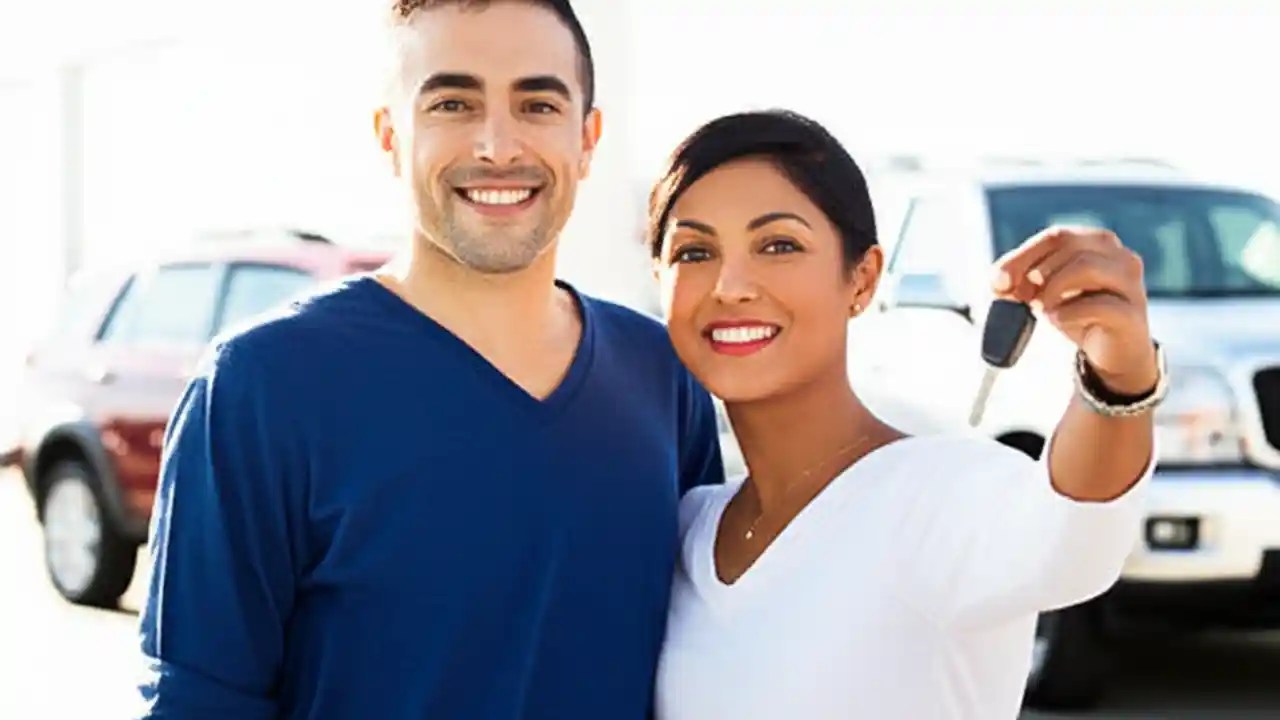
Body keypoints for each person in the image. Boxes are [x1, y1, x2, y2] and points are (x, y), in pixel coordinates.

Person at [135, 1, 723, 718]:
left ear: (587, 140)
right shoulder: (263, 386)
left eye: (537, 103)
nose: (498, 145)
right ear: (390, 135)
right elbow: (198, 702)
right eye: (453, 103)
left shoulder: (660, 373)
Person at [646, 109, 1165, 719]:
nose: (730, 285)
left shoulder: (938, 490)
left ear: (862, 279)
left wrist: (1119, 374)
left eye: (778, 245)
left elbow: (1072, 540)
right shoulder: (686, 526)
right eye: (694, 250)